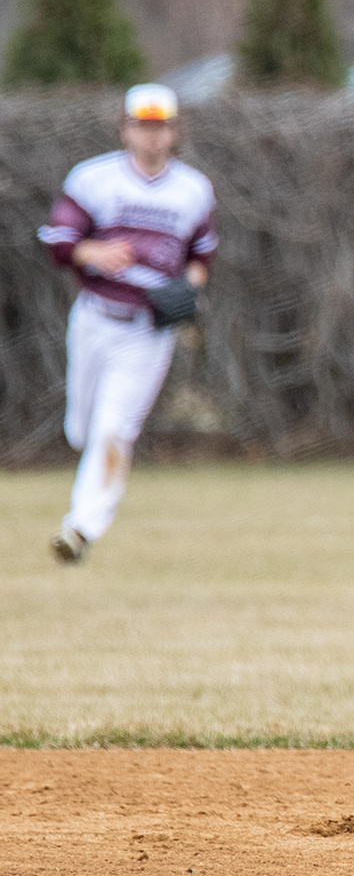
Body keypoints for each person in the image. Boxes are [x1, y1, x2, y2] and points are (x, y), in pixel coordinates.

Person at [38, 83, 216, 564]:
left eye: (160, 127)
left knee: (115, 429)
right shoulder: (93, 179)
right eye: (142, 125)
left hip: (146, 331)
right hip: (96, 318)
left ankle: (81, 528)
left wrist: (190, 289)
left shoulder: (193, 189)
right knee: (84, 429)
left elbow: (201, 255)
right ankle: (86, 491)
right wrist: (92, 250)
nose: (152, 137)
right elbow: (58, 240)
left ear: (174, 132)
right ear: (125, 128)